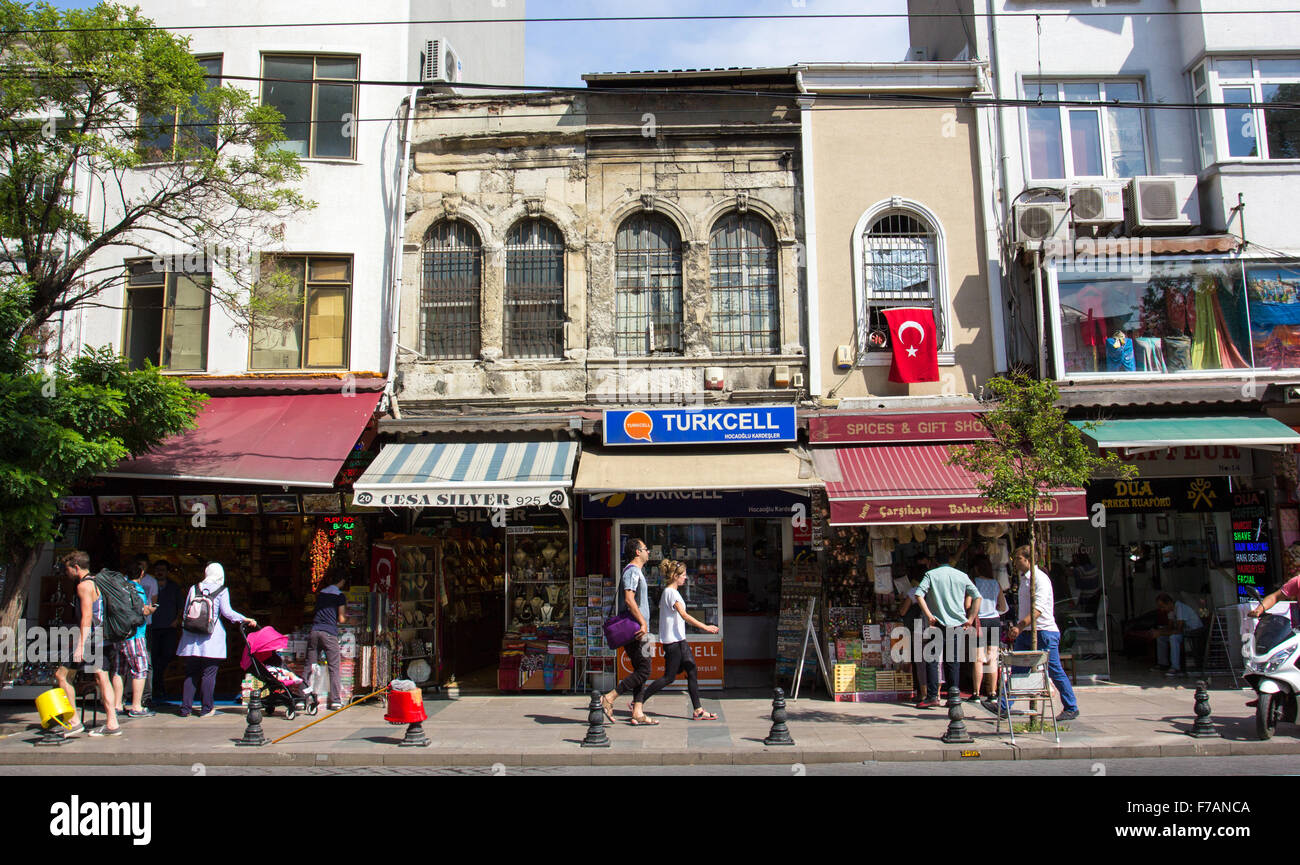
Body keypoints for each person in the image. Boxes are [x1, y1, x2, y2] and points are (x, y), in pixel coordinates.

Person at [982, 545, 1079, 722]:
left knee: (1054, 669)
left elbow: (1038, 610)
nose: (1015, 562)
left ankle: (1071, 706)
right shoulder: (1025, 579)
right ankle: (1003, 706)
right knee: (1018, 670)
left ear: (1028, 559)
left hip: (1043, 631)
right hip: (1027, 632)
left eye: (1018, 558)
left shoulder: (1039, 580)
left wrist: (1019, 626)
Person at [637, 559, 719, 722]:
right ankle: (638, 701)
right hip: (674, 642)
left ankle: (698, 710)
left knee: (691, 670)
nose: (686, 577)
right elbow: (684, 615)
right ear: (674, 576)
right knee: (669, 677)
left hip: (679, 640)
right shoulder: (671, 593)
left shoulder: (671, 592)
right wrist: (705, 627)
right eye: (683, 574)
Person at [51, 551, 119, 736]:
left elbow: (87, 616)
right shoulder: (100, 582)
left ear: (76, 567)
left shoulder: (84, 586)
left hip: (90, 639)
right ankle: (112, 722)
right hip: (104, 637)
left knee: (62, 676)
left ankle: (74, 721)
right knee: (102, 678)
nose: (66, 573)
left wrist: (80, 645)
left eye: (67, 569)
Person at [176, 562, 256, 718]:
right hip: (211, 638)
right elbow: (227, 612)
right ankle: (207, 708)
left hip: (191, 638)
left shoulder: (194, 588)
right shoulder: (221, 590)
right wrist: (243, 619)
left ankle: (185, 708)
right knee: (209, 674)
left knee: (191, 673)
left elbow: (186, 611)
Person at [913, 548, 981, 709]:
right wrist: (970, 618)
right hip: (956, 623)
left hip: (937, 623)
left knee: (932, 660)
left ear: (935, 561)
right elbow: (977, 596)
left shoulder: (931, 575)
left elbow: (918, 594)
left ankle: (932, 696)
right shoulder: (961, 575)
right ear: (950, 560)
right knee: (953, 661)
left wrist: (929, 615)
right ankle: (953, 696)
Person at [601, 537, 651, 725]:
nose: (648, 552)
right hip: (637, 629)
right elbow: (629, 600)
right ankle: (610, 697)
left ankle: (637, 711)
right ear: (637, 552)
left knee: (642, 668)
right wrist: (642, 623)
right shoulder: (632, 571)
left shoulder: (637, 571)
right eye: (646, 548)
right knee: (645, 669)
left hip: (641, 627)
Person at [112, 564, 156, 718]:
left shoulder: (120, 590)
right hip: (135, 635)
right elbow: (143, 610)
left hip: (120, 635)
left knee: (119, 670)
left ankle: (117, 705)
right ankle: (136, 706)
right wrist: (151, 609)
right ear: (142, 574)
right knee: (140, 669)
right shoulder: (137, 590)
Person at [306, 562, 349, 710]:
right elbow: (342, 618)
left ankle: (302, 698)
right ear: (342, 581)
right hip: (329, 633)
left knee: (309, 665)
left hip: (314, 631)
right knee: (334, 667)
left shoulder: (321, 593)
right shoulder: (339, 596)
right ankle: (336, 700)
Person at [969, 557, 1008, 702]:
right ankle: (992, 693)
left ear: (977, 569)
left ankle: (976, 693)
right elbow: (1003, 607)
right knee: (992, 657)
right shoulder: (996, 584)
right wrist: (994, 608)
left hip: (980, 621)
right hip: (994, 620)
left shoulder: (974, 583)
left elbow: (968, 604)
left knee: (978, 659)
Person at [147, 560, 183, 705]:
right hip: (153, 626)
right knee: (153, 657)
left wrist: (177, 620)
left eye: (162, 569)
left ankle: (158, 680)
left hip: (169, 626)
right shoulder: (150, 585)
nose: (160, 572)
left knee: (167, 655)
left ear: (167, 571)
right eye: (157, 569)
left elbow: (180, 605)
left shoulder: (173, 587)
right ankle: (157, 686)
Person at [1151, 592, 1204, 677]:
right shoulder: (1171, 611)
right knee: (1161, 638)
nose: (1162, 609)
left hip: (1193, 632)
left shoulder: (1180, 607)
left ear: (1169, 603)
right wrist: (1158, 632)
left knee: (1173, 638)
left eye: (1162, 606)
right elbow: (1170, 627)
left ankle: (1175, 667)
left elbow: (1179, 630)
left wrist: (1160, 632)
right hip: (1185, 632)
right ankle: (1163, 664)